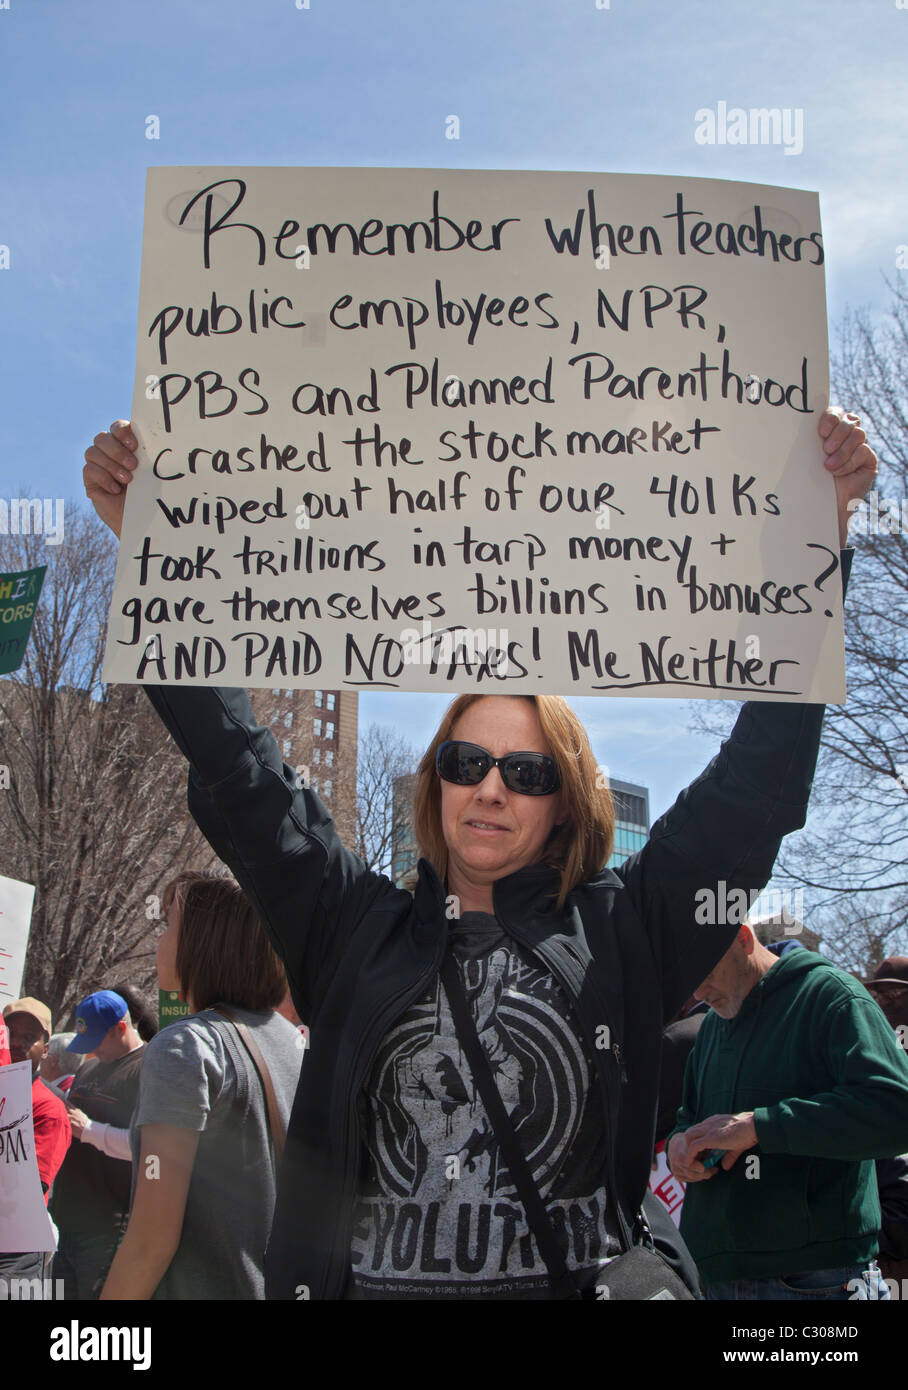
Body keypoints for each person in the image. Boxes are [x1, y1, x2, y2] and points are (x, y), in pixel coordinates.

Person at [84, 407, 876, 1300]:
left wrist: (824, 537)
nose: (491, 788)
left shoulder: (627, 932)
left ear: (565, 799)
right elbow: (239, 766)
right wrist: (147, 552)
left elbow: (755, 790)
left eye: (527, 770)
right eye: (467, 762)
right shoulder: (348, 927)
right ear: (438, 783)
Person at [665, 923, 908, 1300]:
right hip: (715, 1279)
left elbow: (895, 1110)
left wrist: (760, 1126)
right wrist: (680, 1145)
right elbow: (689, 1116)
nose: (698, 992)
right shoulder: (711, 1027)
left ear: (743, 939)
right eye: (688, 980)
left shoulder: (832, 996)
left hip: (815, 1280)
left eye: (706, 972)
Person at [100, 870, 304, 1300]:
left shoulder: (185, 1046)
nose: (160, 941)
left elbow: (150, 1242)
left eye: (168, 925)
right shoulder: (291, 1040)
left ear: (205, 941)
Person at [50, 990, 146, 1299]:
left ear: (120, 1028)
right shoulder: (88, 1068)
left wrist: (91, 1130)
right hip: (65, 1221)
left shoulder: (148, 1068)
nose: (91, 1052)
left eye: (96, 1042)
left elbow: (146, 1145)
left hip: (107, 1227)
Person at [1, 998, 72, 1295]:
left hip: (15, 1251)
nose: (17, 1043)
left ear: (45, 1049)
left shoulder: (48, 1108)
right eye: (11, 1034)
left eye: (29, 1037)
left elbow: (29, 1189)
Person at [40, 1032, 84, 1100]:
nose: (41, 1058)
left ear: (53, 1060)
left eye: (45, 1053)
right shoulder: (78, 1085)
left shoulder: (68, 1092)